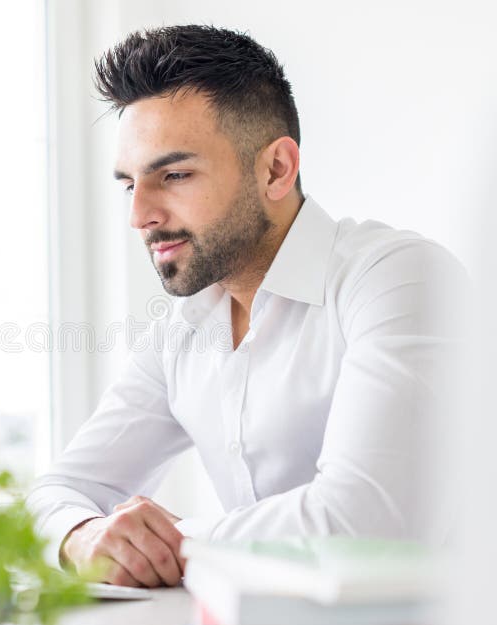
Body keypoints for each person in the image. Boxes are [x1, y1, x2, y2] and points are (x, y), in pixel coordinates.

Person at [26, 24, 464, 589]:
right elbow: (58, 491)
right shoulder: (183, 332)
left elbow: (368, 523)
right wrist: (82, 536)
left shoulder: (398, 279)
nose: (139, 216)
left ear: (276, 169)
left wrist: (174, 543)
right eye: (130, 184)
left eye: (174, 175)